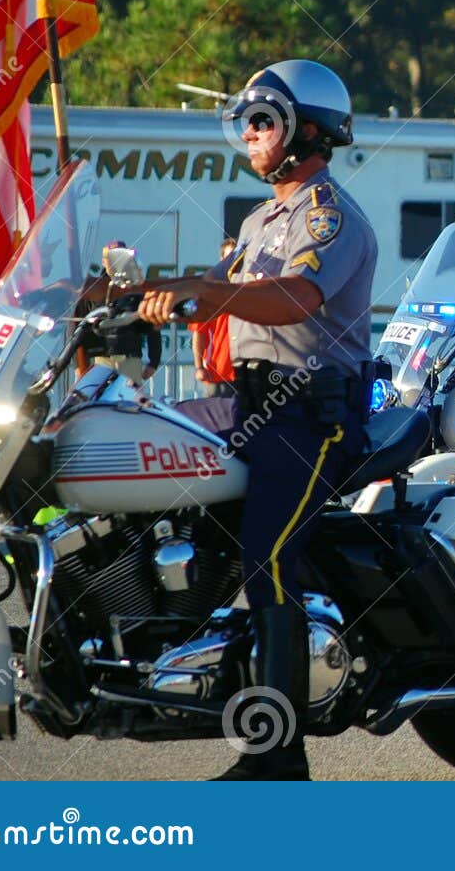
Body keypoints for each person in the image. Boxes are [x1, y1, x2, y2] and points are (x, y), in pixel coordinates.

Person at [138, 59, 376, 781]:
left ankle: (277, 755)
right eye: (246, 120)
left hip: (311, 416)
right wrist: (120, 292)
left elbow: (297, 296)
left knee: (269, 562)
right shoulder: (259, 217)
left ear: (307, 131)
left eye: (262, 120)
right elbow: (219, 290)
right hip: (251, 404)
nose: (248, 133)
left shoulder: (330, 214)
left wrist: (217, 297)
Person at [81, 241, 162, 384]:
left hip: (129, 359)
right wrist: (80, 365)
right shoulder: (95, 288)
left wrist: (154, 361)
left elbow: (152, 323)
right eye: (110, 257)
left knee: (128, 402)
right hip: (101, 360)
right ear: (103, 261)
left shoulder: (137, 287)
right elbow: (79, 326)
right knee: (99, 403)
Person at [190, 238, 236, 397]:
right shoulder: (209, 294)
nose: (234, 261)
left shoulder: (250, 290)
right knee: (217, 419)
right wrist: (199, 368)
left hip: (248, 373)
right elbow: (199, 333)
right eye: (230, 257)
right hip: (218, 373)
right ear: (222, 260)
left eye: (237, 257)